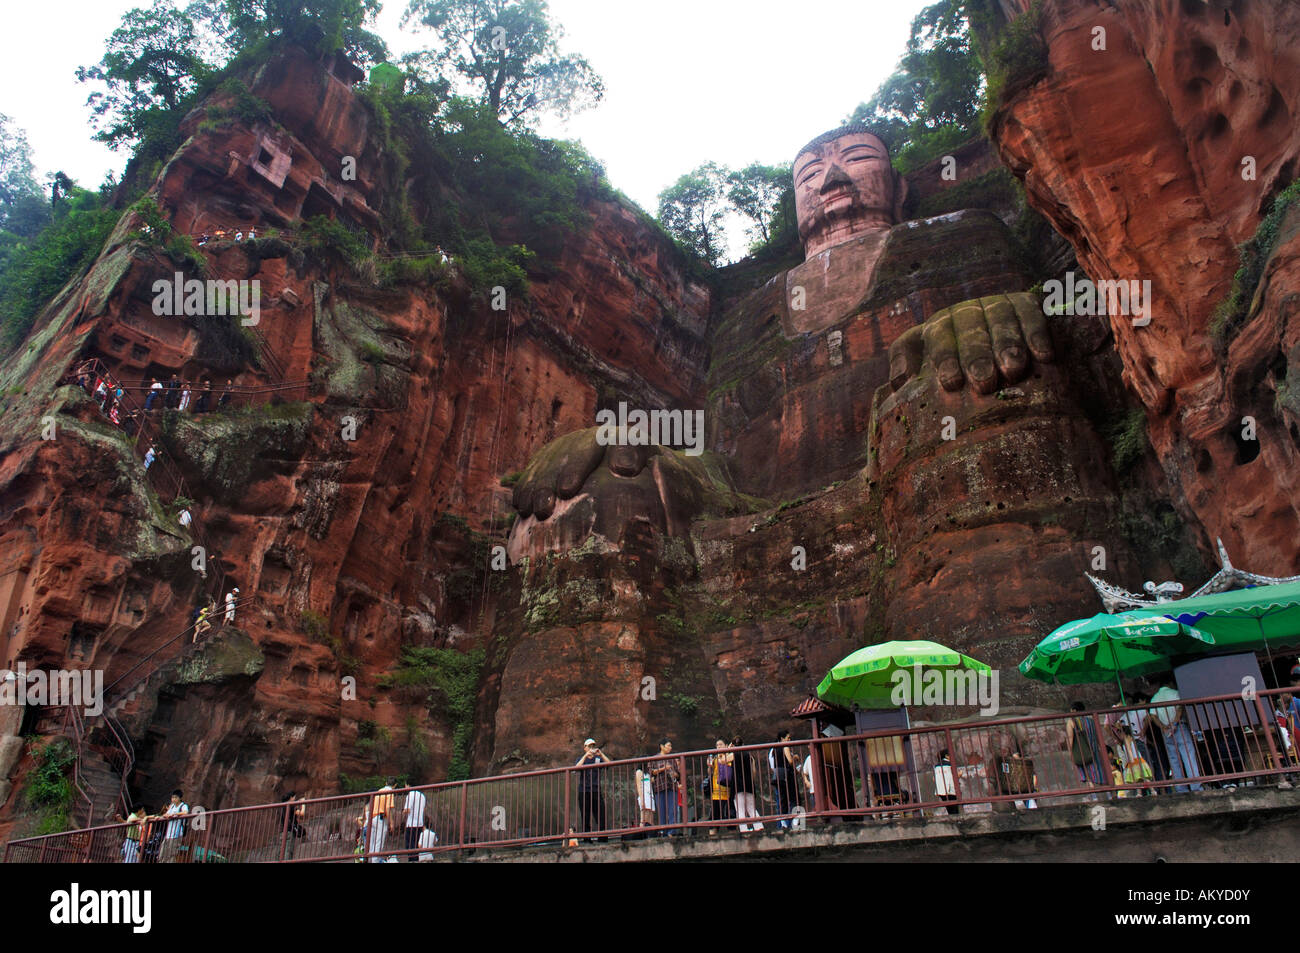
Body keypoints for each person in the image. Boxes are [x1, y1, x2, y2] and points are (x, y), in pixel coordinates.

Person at [1151, 678, 1204, 793]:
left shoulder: (1154, 698)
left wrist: (1163, 726)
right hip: (1179, 727)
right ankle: (1196, 787)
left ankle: (1181, 788)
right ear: (1170, 683)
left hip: (1166, 731)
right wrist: (1174, 723)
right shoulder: (1175, 693)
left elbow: (1153, 716)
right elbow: (1180, 708)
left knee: (1174, 760)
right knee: (1188, 757)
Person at [574, 739, 611, 841]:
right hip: (584, 790)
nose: (591, 748)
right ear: (585, 748)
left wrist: (601, 754)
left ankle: (602, 838)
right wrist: (586, 756)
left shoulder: (598, 759)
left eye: (593, 746)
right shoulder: (581, 759)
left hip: (596, 790)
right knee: (585, 815)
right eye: (589, 746)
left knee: (600, 814)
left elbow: (609, 764)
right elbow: (576, 768)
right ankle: (587, 839)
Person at [1066, 701, 1106, 794]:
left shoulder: (1072, 721)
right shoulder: (1091, 721)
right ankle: (1109, 794)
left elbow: (1070, 738)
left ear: (1074, 710)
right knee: (1099, 772)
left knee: (1087, 774)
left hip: (1082, 751)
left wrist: (1070, 753)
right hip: (1094, 749)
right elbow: (1098, 736)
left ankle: (1093, 795)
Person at [646, 739, 680, 836]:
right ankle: (663, 832)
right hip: (659, 786)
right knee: (661, 810)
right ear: (662, 746)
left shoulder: (672, 758)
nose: (670, 748)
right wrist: (663, 769)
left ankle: (672, 831)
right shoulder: (654, 758)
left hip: (671, 786)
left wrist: (674, 773)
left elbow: (678, 774)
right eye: (668, 745)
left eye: (670, 746)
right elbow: (651, 771)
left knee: (672, 809)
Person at [730, 735, 763, 832]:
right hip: (749, 784)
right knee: (751, 808)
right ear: (743, 744)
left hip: (737, 785)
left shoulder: (733, 755)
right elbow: (754, 772)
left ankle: (744, 829)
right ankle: (759, 826)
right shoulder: (749, 756)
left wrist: (728, 749)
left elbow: (723, 760)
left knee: (740, 809)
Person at [769, 729, 801, 829]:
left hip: (778, 776)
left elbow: (773, 765)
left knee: (782, 800)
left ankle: (783, 823)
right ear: (782, 739)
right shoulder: (785, 746)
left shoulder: (774, 749)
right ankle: (795, 823)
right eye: (788, 738)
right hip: (787, 776)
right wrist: (795, 758)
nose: (789, 740)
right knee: (794, 798)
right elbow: (790, 762)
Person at [706, 739, 733, 831]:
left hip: (727, 793)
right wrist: (709, 766)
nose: (718, 747)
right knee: (714, 818)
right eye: (717, 745)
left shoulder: (728, 757)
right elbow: (710, 773)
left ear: (726, 745)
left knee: (729, 818)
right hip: (716, 793)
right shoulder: (715, 758)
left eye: (720, 744)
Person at [366, 780, 396, 862]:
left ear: (386, 783)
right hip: (380, 818)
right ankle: (375, 861)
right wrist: (391, 823)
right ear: (395, 785)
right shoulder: (390, 791)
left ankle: (370, 860)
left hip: (373, 817)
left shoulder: (380, 790)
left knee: (372, 842)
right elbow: (387, 808)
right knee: (379, 842)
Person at [158, 789, 190, 863]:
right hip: (168, 835)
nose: (174, 799)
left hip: (176, 834)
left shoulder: (183, 805)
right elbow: (166, 814)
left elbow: (185, 812)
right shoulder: (172, 806)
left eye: (176, 797)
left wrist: (175, 814)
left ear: (180, 798)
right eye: (172, 797)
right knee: (162, 854)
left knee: (171, 855)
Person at [402, 786, 427, 859]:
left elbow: (407, 809)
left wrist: (403, 811)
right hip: (420, 823)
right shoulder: (422, 795)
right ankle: (416, 859)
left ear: (408, 785)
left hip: (411, 824)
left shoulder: (411, 794)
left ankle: (412, 860)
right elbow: (424, 809)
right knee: (416, 844)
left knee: (410, 845)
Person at [934, 749, 958, 814]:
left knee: (948, 807)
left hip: (941, 790)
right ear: (947, 756)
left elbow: (934, 778)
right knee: (955, 807)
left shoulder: (936, 766)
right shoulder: (950, 764)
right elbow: (955, 775)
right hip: (950, 789)